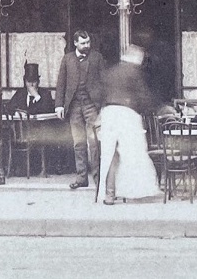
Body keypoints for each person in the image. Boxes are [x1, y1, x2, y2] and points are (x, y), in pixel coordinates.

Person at [97, 45, 160, 205]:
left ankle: (109, 195)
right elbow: (143, 95)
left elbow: (99, 93)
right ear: (136, 59)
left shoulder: (111, 72)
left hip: (109, 113)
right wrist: (155, 109)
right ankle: (135, 191)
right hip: (127, 114)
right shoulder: (134, 72)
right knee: (134, 152)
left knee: (110, 155)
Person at [55, 30, 104, 190]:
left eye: (88, 42)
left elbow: (104, 83)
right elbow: (61, 83)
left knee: (94, 143)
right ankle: (82, 177)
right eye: (83, 43)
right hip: (74, 106)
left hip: (92, 106)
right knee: (78, 142)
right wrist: (59, 105)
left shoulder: (97, 58)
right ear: (75, 43)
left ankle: (98, 180)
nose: (86, 46)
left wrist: (103, 106)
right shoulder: (67, 59)